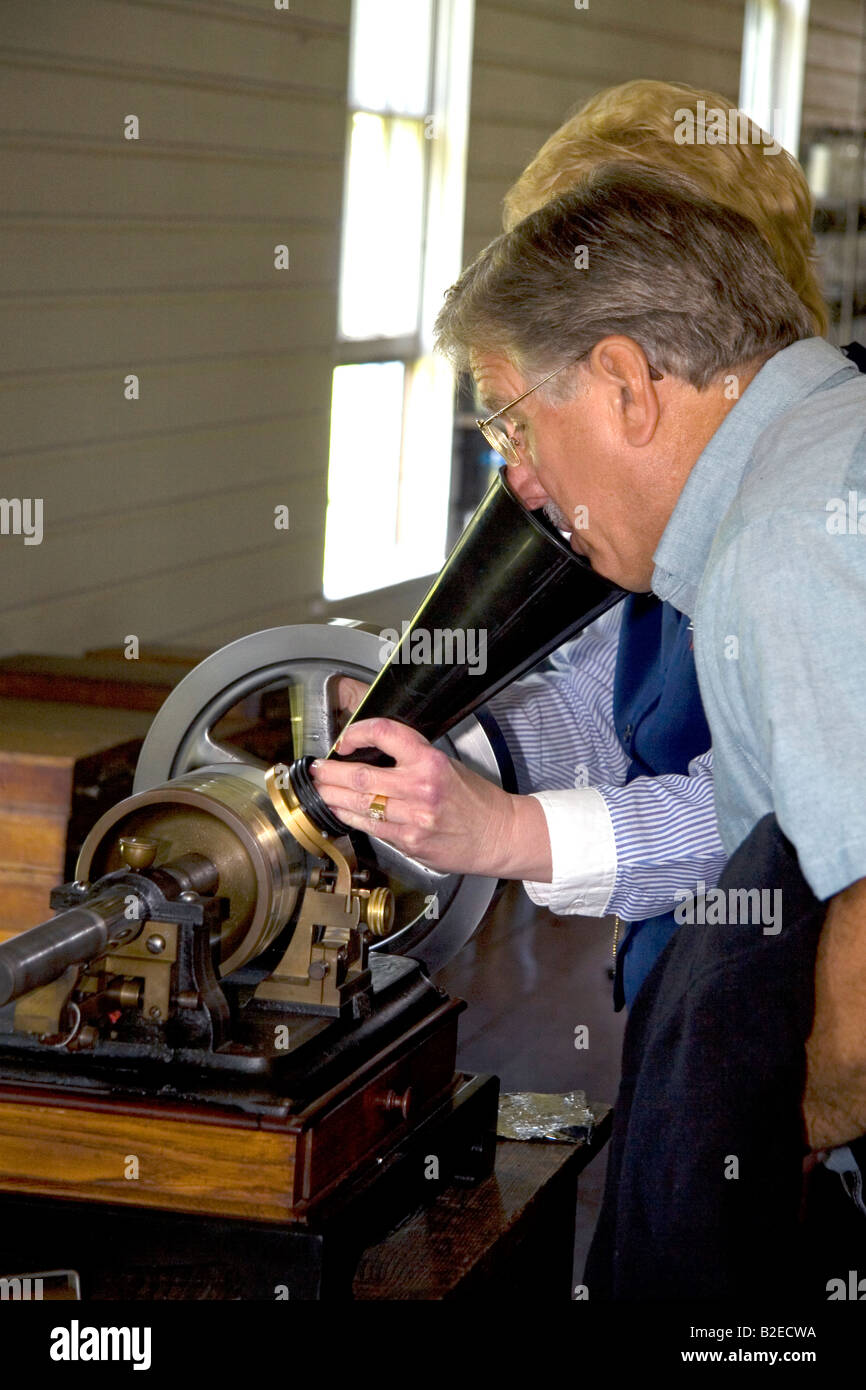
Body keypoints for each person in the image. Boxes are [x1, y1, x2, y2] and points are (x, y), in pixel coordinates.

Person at [323, 163, 866, 1297]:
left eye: (511, 425)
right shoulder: (825, 451)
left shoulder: (785, 543)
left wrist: (791, 1117)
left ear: (622, 383)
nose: (517, 482)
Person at [333, 80, 828, 1011]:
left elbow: (780, 821)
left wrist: (515, 832)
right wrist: (457, 751)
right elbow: (612, 712)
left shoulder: (818, 505)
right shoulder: (663, 501)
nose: (519, 479)